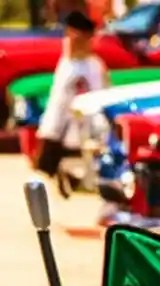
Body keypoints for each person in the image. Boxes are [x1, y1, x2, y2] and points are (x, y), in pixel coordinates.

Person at [35, 10, 110, 199]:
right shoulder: (66, 64)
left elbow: (101, 92)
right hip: (64, 123)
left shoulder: (94, 66)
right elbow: (59, 98)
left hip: (88, 121)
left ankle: (80, 180)